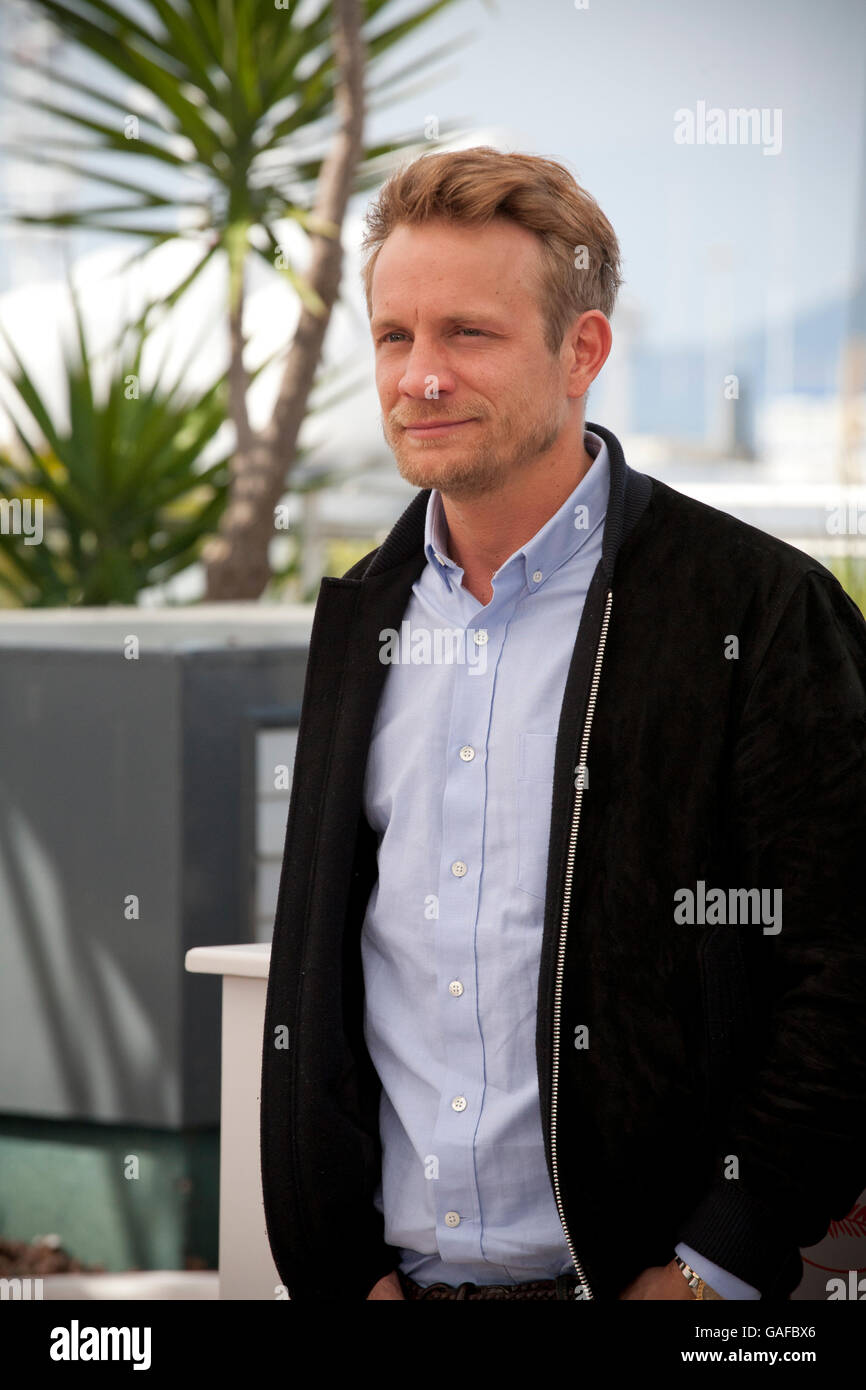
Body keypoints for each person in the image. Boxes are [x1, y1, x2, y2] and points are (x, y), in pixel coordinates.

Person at [260, 146, 866, 1302]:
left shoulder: (756, 609)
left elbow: (844, 966)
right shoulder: (360, 615)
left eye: (467, 335)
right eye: (395, 336)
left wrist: (712, 1267)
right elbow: (323, 980)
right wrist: (339, 1264)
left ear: (581, 350)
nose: (419, 377)